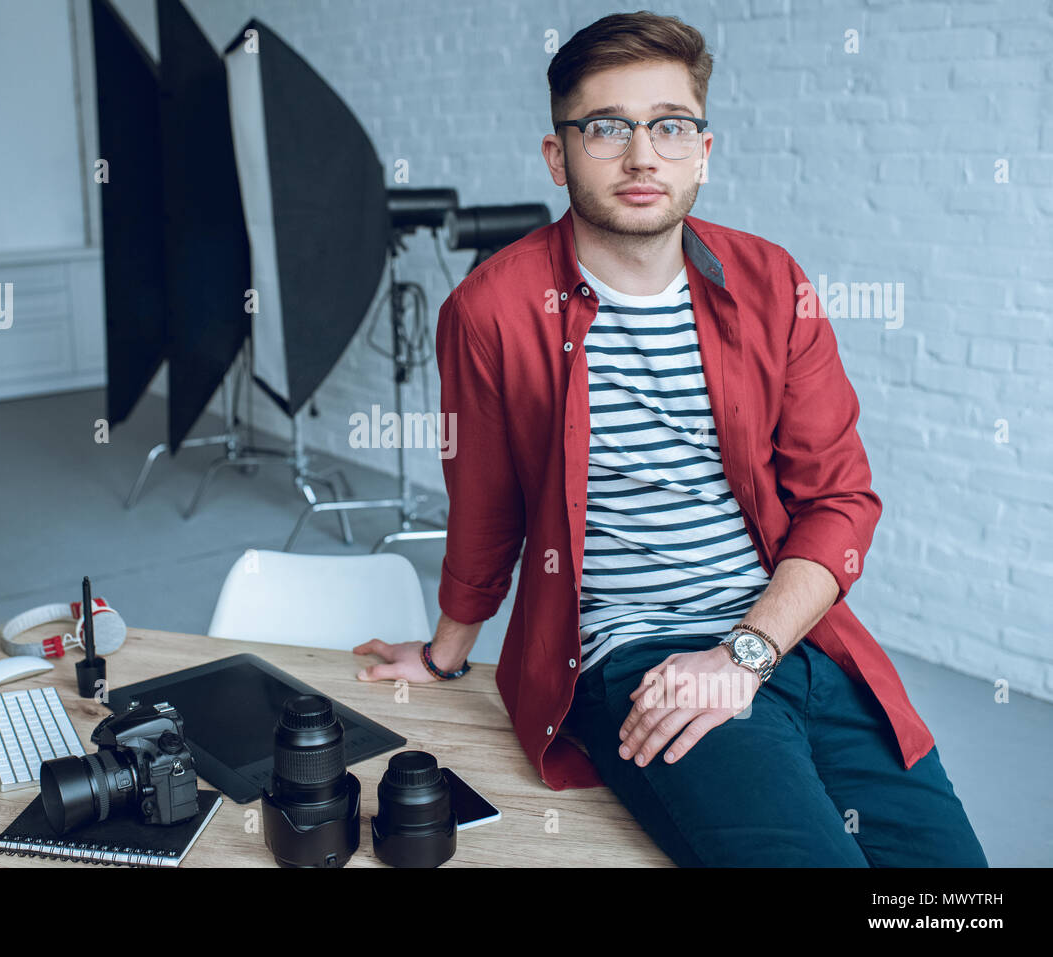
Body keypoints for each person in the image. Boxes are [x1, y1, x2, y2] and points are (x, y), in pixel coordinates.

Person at [354, 10, 986, 867]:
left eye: (669, 125)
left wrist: (746, 651)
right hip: (636, 655)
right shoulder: (492, 311)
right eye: (607, 127)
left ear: (703, 151)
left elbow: (839, 501)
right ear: (558, 153)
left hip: (790, 635)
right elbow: (486, 510)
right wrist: (444, 655)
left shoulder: (772, 283)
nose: (642, 154)